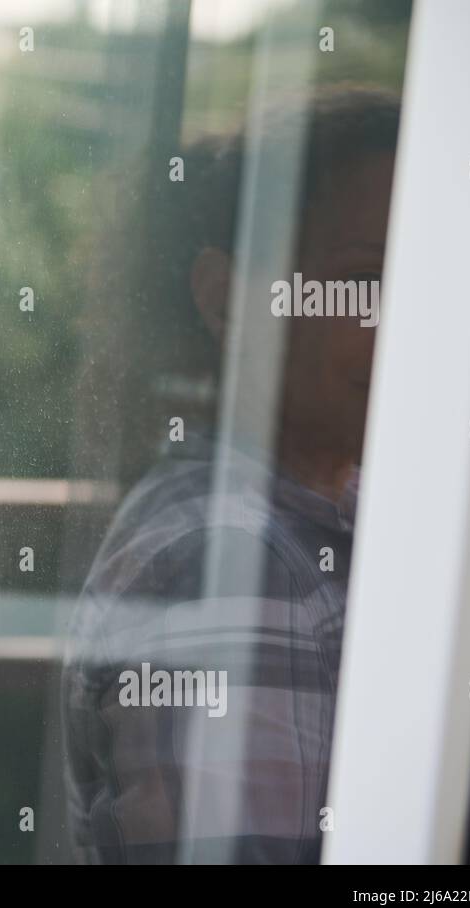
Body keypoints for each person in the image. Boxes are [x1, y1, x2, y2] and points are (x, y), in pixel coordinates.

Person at [61, 86, 400, 863]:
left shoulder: (327, 513)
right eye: (365, 280)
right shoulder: (227, 563)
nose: (408, 322)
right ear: (224, 300)